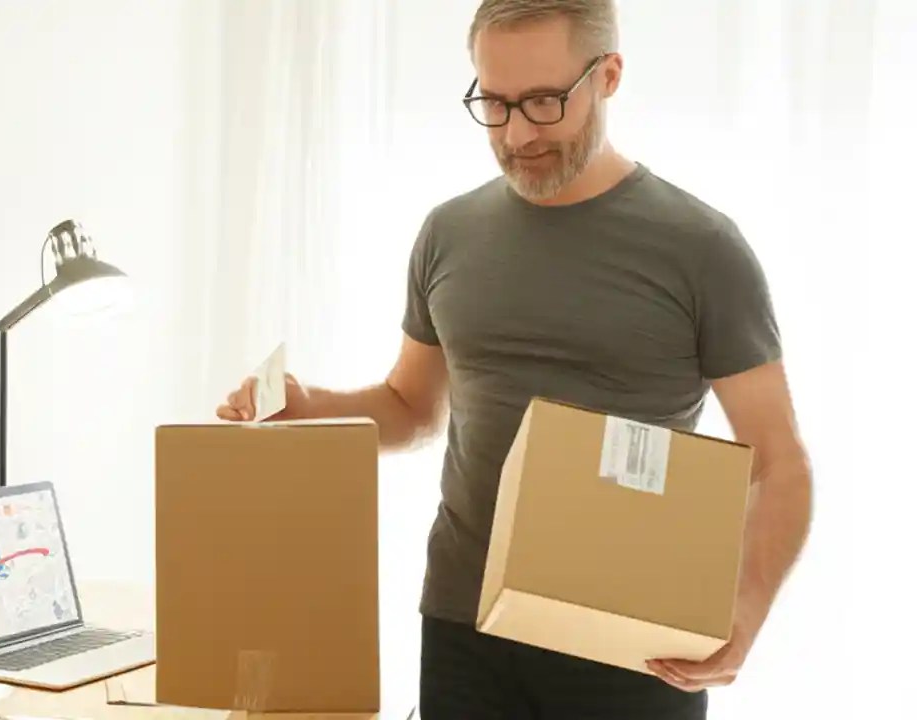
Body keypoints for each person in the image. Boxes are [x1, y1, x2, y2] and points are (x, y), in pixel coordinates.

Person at [216, 0, 813, 718]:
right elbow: (411, 410)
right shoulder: (449, 234)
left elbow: (778, 461)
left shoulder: (701, 249)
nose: (518, 133)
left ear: (610, 76)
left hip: (633, 641)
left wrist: (745, 614)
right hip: (466, 625)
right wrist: (306, 407)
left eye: (543, 101)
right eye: (494, 104)